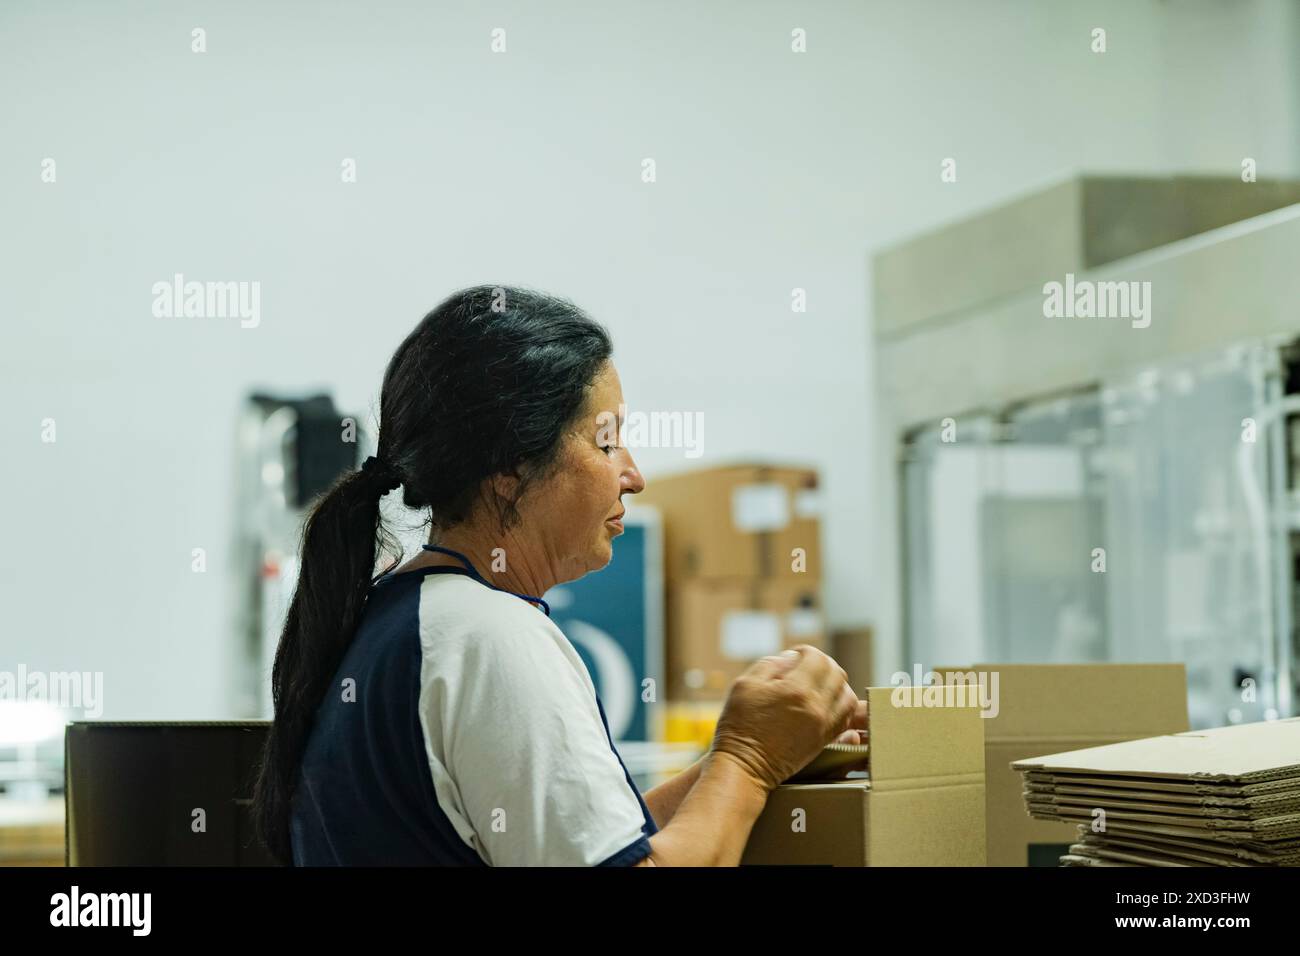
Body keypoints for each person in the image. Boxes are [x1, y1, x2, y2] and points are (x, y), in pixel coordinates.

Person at [251, 284, 865, 866]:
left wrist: (761, 753)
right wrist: (748, 758)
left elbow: (573, 845)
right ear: (510, 469)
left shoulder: (405, 619)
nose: (633, 475)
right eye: (606, 443)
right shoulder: (487, 637)